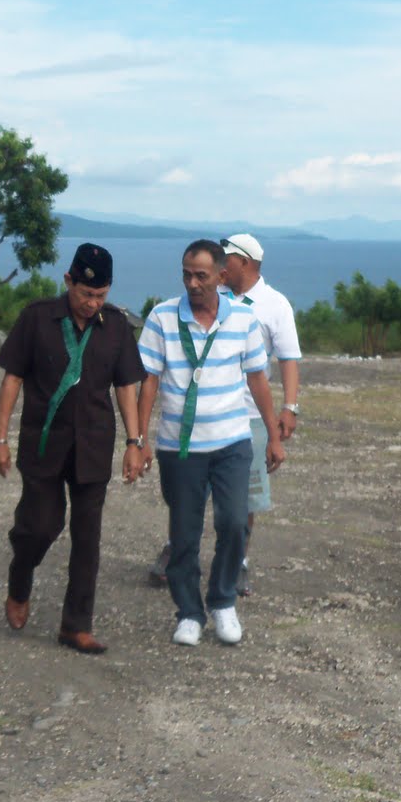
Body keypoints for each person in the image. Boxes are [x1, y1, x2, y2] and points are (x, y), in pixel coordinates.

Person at [0, 243, 144, 654]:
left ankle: (75, 624)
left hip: (93, 445)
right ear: (68, 281)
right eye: (85, 294)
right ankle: (20, 579)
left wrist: (135, 442)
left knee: (87, 537)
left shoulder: (115, 326)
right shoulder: (38, 317)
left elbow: (127, 386)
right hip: (43, 442)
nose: (92, 303)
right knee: (39, 526)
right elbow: (12, 380)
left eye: (100, 295)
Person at [137, 240, 284, 648]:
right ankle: (188, 612)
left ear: (221, 277)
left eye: (201, 275)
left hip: (232, 442)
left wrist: (273, 435)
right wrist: (139, 438)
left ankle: (222, 601)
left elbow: (257, 378)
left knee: (235, 522)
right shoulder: (163, 317)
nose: (192, 282)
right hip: (179, 448)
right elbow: (148, 378)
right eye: (186, 273)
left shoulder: (242, 318)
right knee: (184, 535)